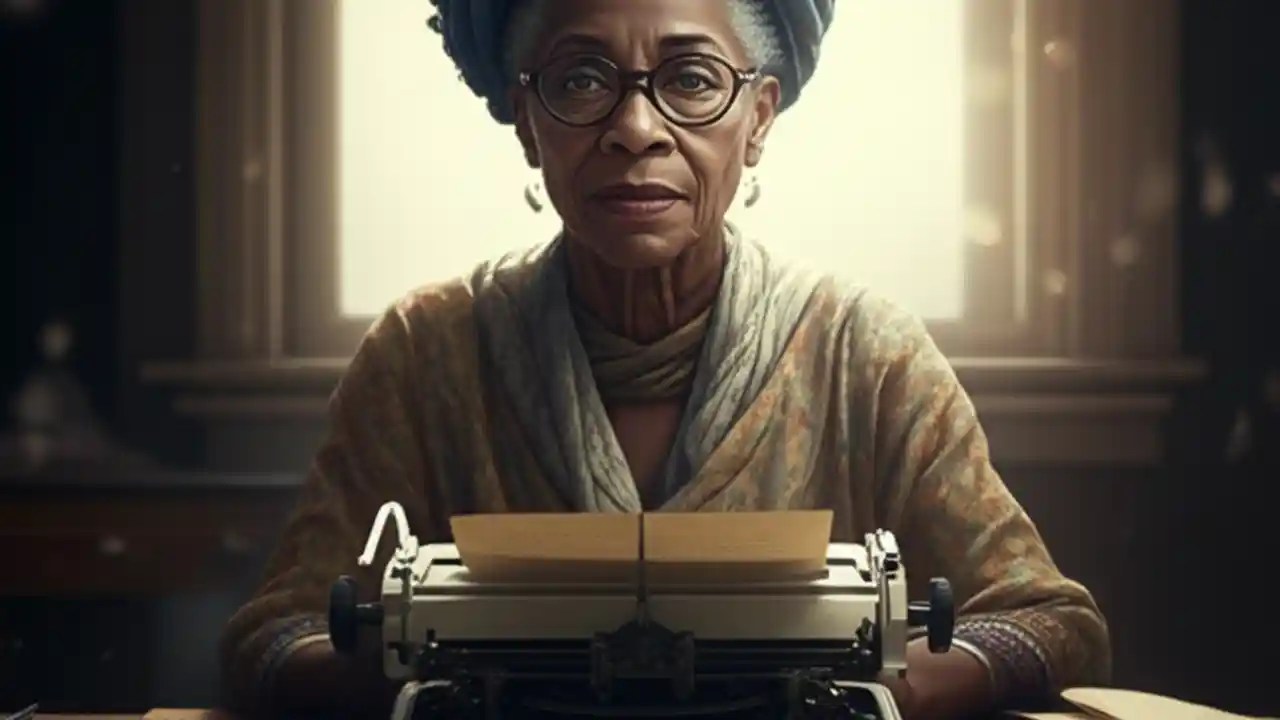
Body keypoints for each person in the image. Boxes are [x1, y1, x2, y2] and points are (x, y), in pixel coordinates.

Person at [217, 0, 1111, 718]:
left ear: (758, 120)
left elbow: (1048, 619)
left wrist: (889, 687)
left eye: (690, 80)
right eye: (579, 80)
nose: (635, 128)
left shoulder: (864, 353)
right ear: (528, 122)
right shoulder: (424, 354)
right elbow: (271, 636)